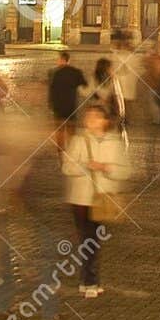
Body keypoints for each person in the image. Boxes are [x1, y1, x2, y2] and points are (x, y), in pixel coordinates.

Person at [61, 104, 130, 299]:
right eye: (88, 117)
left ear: (105, 121)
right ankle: (90, 281)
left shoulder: (114, 142)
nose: (91, 121)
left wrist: (107, 168)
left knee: (93, 240)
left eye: (96, 117)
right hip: (81, 199)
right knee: (88, 239)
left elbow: (125, 171)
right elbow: (66, 168)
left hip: (103, 199)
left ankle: (87, 279)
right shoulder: (78, 141)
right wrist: (85, 166)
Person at [47, 50, 88, 147]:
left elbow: (51, 90)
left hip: (58, 107)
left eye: (58, 59)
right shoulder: (76, 72)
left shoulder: (53, 73)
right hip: (71, 106)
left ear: (61, 60)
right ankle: (71, 149)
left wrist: (50, 104)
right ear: (68, 60)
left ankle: (61, 152)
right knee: (71, 130)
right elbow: (84, 85)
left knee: (59, 131)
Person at [88, 57, 125, 130]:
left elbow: (115, 92)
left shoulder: (112, 78)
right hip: (96, 104)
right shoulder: (94, 77)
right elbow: (91, 91)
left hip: (107, 104)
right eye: (110, 67)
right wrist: (102, 99)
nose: (111, 69)